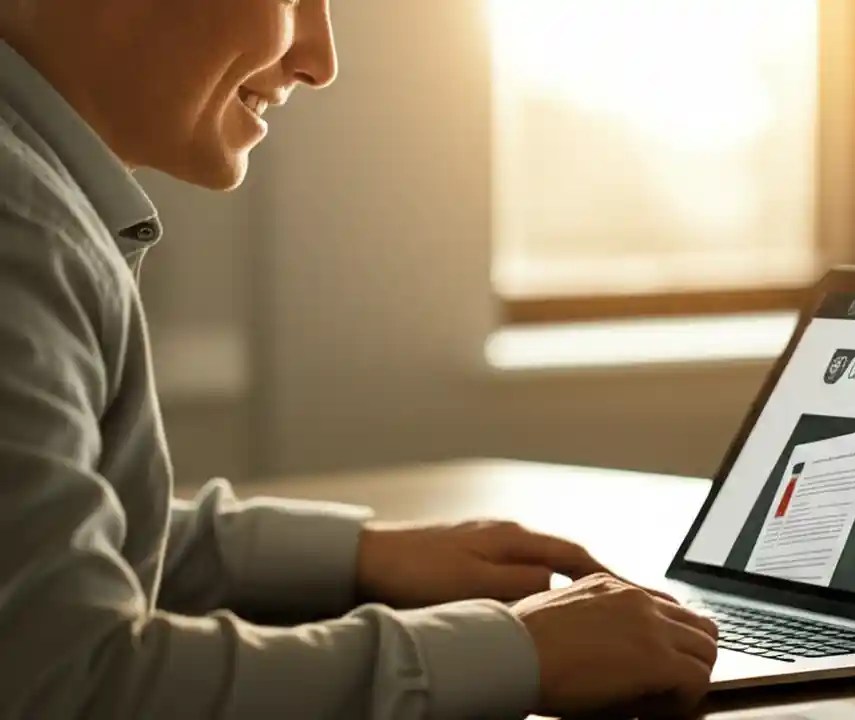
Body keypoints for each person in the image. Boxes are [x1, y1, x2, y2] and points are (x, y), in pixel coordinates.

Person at [0, 1, 718, 717]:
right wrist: (512, 651)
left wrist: (363, 557)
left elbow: (54, 547)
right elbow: (75, 683)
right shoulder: (22, 234)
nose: (319, 59)